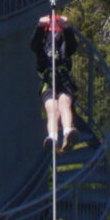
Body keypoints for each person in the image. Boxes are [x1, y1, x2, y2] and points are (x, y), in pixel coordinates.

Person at [35, 11, 76, 144]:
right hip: (48, 83)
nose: (54, 35)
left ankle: (67, 132)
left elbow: (72, 44)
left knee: (64, 103)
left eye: (57, 32)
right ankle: (52, 137)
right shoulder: (41, 47)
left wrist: (67, 27)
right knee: (52, 108)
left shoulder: (65, 46)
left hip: (63, 82)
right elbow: (33, 44)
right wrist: (40, 27)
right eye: (51, 32)